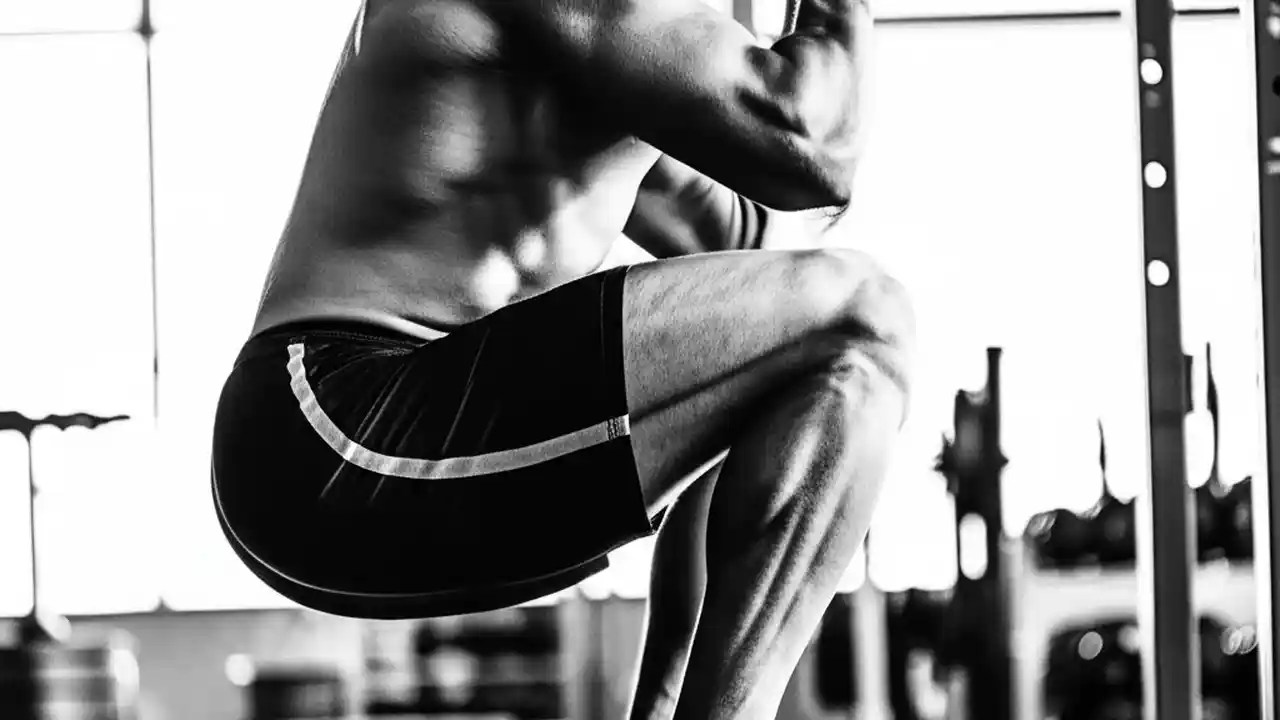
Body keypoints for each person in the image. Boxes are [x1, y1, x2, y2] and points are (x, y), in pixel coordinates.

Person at [211, 0, 913, 717]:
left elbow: (748, 246)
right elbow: (812, 150)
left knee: (830, 366)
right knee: (868, 310)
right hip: (324, 429)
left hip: (415, 424)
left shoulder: (605, 52)